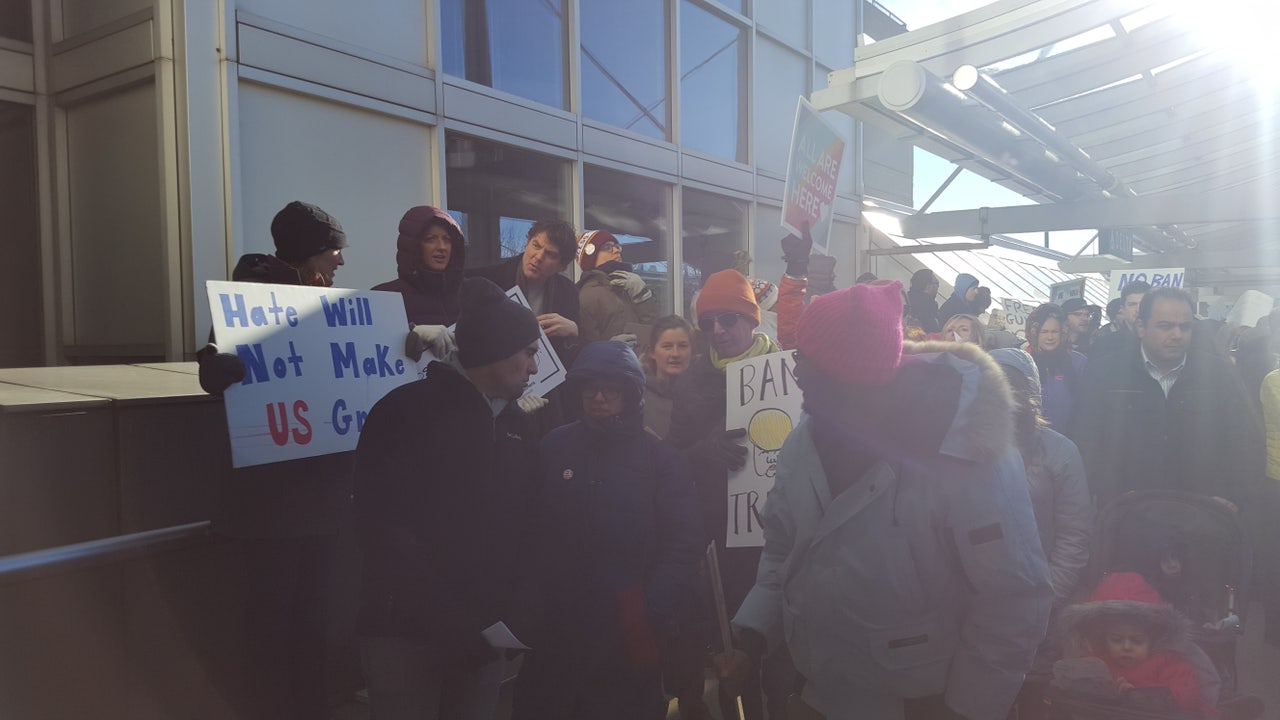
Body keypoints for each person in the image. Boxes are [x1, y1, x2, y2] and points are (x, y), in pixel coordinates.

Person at [724, 281, 1053, 720]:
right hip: (816, 688)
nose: (795, 371)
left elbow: (1013, 597)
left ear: (847, 376)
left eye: (806, 358)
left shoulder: (966, 452)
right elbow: (784, 547)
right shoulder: (806, 437)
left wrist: (967, 707)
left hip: (920, 704)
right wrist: (753, 634)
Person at [352, 277, 542, 720]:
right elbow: (382, 529)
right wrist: (450, 619)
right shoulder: (404, 412)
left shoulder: (517, 425)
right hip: (403, 633)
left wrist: (516, 613)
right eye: (529, 353)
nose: (535, 369)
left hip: (485, 635)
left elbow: (529, 526)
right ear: (496, 351)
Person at [194, 200, 352, 720]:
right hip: (273, 507)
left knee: (313, 621)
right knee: (274, 622)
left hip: (321, 500)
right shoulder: (249, 304)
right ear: (308, 252)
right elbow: (216, 373)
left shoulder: (326, 304)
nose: (341, 261)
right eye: (333, 250)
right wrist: (216, 367)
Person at [512, 341, 703, 720]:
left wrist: (649, 608)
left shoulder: (659, 458)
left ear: (630, 394)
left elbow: (683, 543)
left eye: (610, 390)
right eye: (590, 389)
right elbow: (530, 529)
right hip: (557, 625)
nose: (598, 398)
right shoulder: (553, 447)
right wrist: (530, 603)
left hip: (630, 626)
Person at [668, 269, 780, 720]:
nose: (717, 330)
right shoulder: (692, 381)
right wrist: (704, 451)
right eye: (708, 322)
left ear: (752, 320)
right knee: (734, 654)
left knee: (783, 657)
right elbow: (673, 460)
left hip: (780, 535)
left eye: (728, 319)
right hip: (723, 541)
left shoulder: (789, 372)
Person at [1069, 287, 1265, 507]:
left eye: (1185, 327)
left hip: (1202, 509)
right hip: (1127, 509)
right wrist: (1106, 491)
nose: (1177, 335)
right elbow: (1085, 438)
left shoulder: (1219, 374)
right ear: (1141, 327)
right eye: (1165, 326)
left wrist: (1232, 495)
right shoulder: (1105, 373)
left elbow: (1246, 440)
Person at [990, 348, 1093, 604]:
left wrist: (1048, 598)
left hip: (1040, 589)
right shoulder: (965, 448)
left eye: (1013, 386)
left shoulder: (1060, 452)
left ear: (1031, 393)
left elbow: (1073, 535)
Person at [1057, 572, 1210, 717]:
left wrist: (1143, 697)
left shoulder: (1167, 662)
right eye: (1116, 639)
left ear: (1152, 639)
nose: (1127, 647)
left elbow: (1188, 694)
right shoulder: (1093, 663)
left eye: (1137, 641)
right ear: (1103, 638)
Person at [371, 205, 465, 326]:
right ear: (414, 246)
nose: (442, 247)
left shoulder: (470, 295)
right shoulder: (383, 297)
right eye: (430, 239)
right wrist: (412, 333)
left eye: (447, 240)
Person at [574, 229, 657, 344]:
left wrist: (642, 296)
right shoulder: (587, 295)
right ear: (591, 257)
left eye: (617, 246)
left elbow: (653, 333)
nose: (616, 250)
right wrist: (610, 346)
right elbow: (585, 347)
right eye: (607, 247)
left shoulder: (628, 286)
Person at [1025, 303, 1088, 430]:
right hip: (1030, 435)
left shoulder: (1078, 362)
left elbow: (1085, 405)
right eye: (1044, 332)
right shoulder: (1023, 361)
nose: (1050, 337)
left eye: (1054, 332)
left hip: (1067, 435)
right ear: (1034, 333)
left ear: (1063, 332)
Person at [642, 315, 694, 439]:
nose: (675, 354)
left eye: (682, 346)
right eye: (667, 346)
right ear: (652, 352)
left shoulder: (704, 394)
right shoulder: (637, 397)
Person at [906, 269, 941, 334]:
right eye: (937, 283)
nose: (938, 286)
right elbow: (934, 331)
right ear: (928, 286)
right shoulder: (927, 307)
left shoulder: (906, 299)